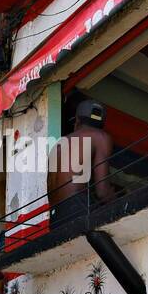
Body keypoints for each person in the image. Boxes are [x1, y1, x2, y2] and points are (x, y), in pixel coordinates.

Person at [46, 99, 115, 231]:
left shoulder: (58, 145)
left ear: (77, 120)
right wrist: (119, 203)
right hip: (77, 208)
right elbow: (102, 191)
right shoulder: (100, 136)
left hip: (55, 217)